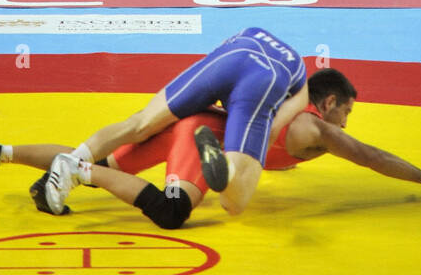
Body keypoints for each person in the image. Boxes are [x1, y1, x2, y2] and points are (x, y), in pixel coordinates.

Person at [0, 68, 421, 230]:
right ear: (329, 102)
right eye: (347, 112)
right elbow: (370, 156)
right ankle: (79, 175)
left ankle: (0, 150)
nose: (346, 123)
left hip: (192, 120)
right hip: (200, 135)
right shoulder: (317, 130)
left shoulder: (279, 99)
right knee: (169, 211)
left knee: (97, 155)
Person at [43, 27, 310, 217]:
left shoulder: (263, 40)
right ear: (327, 101)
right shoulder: (299, 86)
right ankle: (226, 169)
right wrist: (250, 156)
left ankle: (69, 162)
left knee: (139, 124)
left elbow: (209, 73)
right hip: (261, 80)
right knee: (234, 204)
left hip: (232, 53)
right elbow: (272, 129)